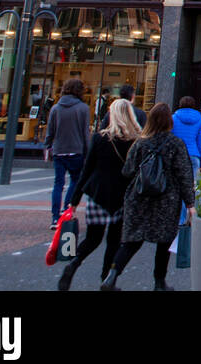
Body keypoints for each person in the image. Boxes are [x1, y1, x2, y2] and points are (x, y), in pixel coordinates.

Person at [101, 104, 196, 291]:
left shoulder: (140, 143)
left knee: (131, 242)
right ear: (169, 121)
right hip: (166, 199)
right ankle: (159, 283)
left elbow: (127, 170)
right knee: (164, 243)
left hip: (139, 197)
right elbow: (184, 175)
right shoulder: (175, 144)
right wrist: (190, 203)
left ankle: (111, 276)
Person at [58, 99, 142, 290]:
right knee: (114, 241)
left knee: (92, 238)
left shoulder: (99, 138)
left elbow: (87, 170)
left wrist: (74, 200)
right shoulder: (135, 140)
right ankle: (106, 279)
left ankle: (74, 263)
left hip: (97, 194)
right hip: (121, 197)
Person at [45, 78, 91, 226]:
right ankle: (67, 209)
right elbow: (85, 133)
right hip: (76, 150)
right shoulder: (83, 108)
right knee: (75, 182)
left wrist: (47, 146)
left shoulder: (56, 108)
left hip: (59, 150)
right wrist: (88, 151)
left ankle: (54, 216)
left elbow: (50, 132)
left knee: (58, 183)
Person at [172, 96, 201, 177]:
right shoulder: (199, 120)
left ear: (180, 105)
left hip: (177, 155)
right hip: (193, 156)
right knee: (193, 186)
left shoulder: (173, 118)